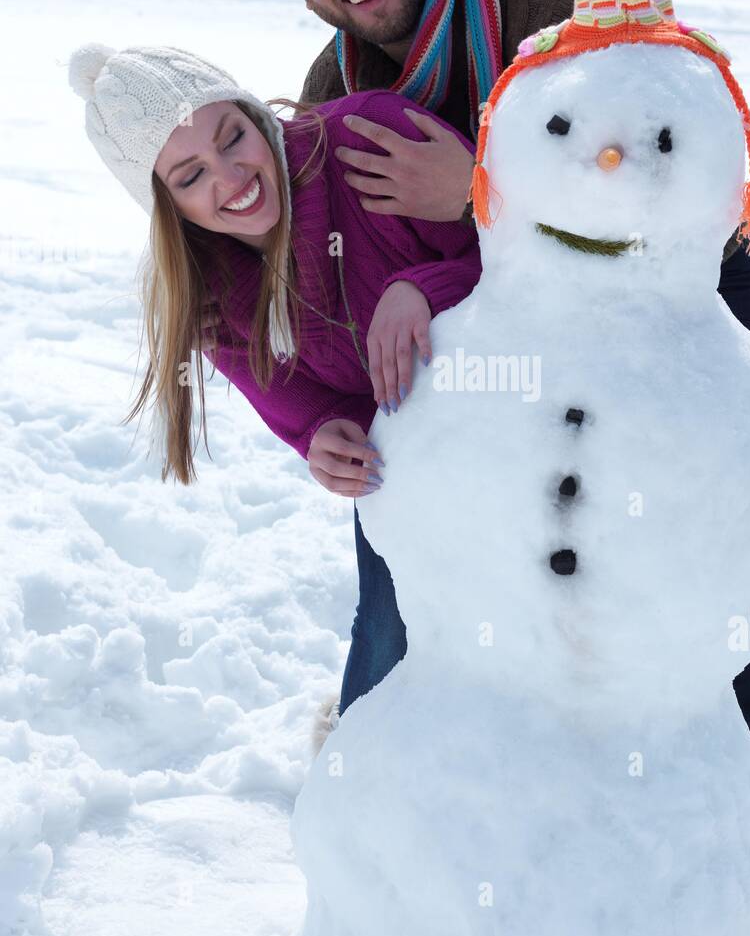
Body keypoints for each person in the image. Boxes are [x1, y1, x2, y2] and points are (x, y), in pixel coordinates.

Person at [243, 0, 750, 776]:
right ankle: (395, 748)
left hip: (670, 280)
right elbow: (320, 286)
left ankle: (733, 758)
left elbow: (679, 181)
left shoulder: (558, 13)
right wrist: (320, 422)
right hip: (484, 312)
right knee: (416, 481)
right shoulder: (331, 86)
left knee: (715, 485)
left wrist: (478, 193)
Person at [66, 42, 482, 743]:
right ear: (166, 206)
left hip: (549, 427)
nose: (232, 177)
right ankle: (373, 784)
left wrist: (426, 288)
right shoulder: (213, 295)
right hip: (425, 473)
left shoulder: (366, 143)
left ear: (256, 115)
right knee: (391, 633)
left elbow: (534, 260)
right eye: (192, 174)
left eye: (233, 135)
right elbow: (312, 407)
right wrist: (323, 436)